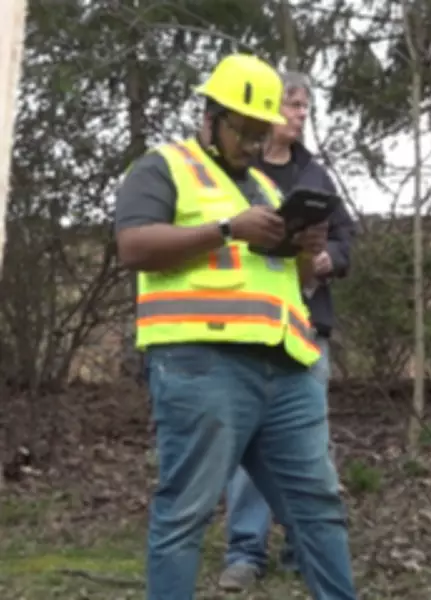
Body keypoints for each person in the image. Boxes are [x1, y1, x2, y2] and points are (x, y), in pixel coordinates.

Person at [114, 53, 357, 600]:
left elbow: (288, 281)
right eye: (242, 130)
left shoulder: (270, 194)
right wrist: (226, 228)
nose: (252, 143)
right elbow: (132, 247)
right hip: (203, 365)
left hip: (288, 368)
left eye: (259, 130)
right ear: (211, 115)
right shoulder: (164, 166)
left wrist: (304, 249)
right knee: (186, 512)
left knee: (318, 509)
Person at [219, 70, 355, 593]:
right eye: (292, 105)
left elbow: (346, 238)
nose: (300, 115)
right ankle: (246, 550)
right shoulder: (237, 171)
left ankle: (306, 545)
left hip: (304, 325)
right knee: (248, 438)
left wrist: (326, 259)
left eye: (305, 107)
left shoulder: (315, 175)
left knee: (308, 443)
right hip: (245, 325)